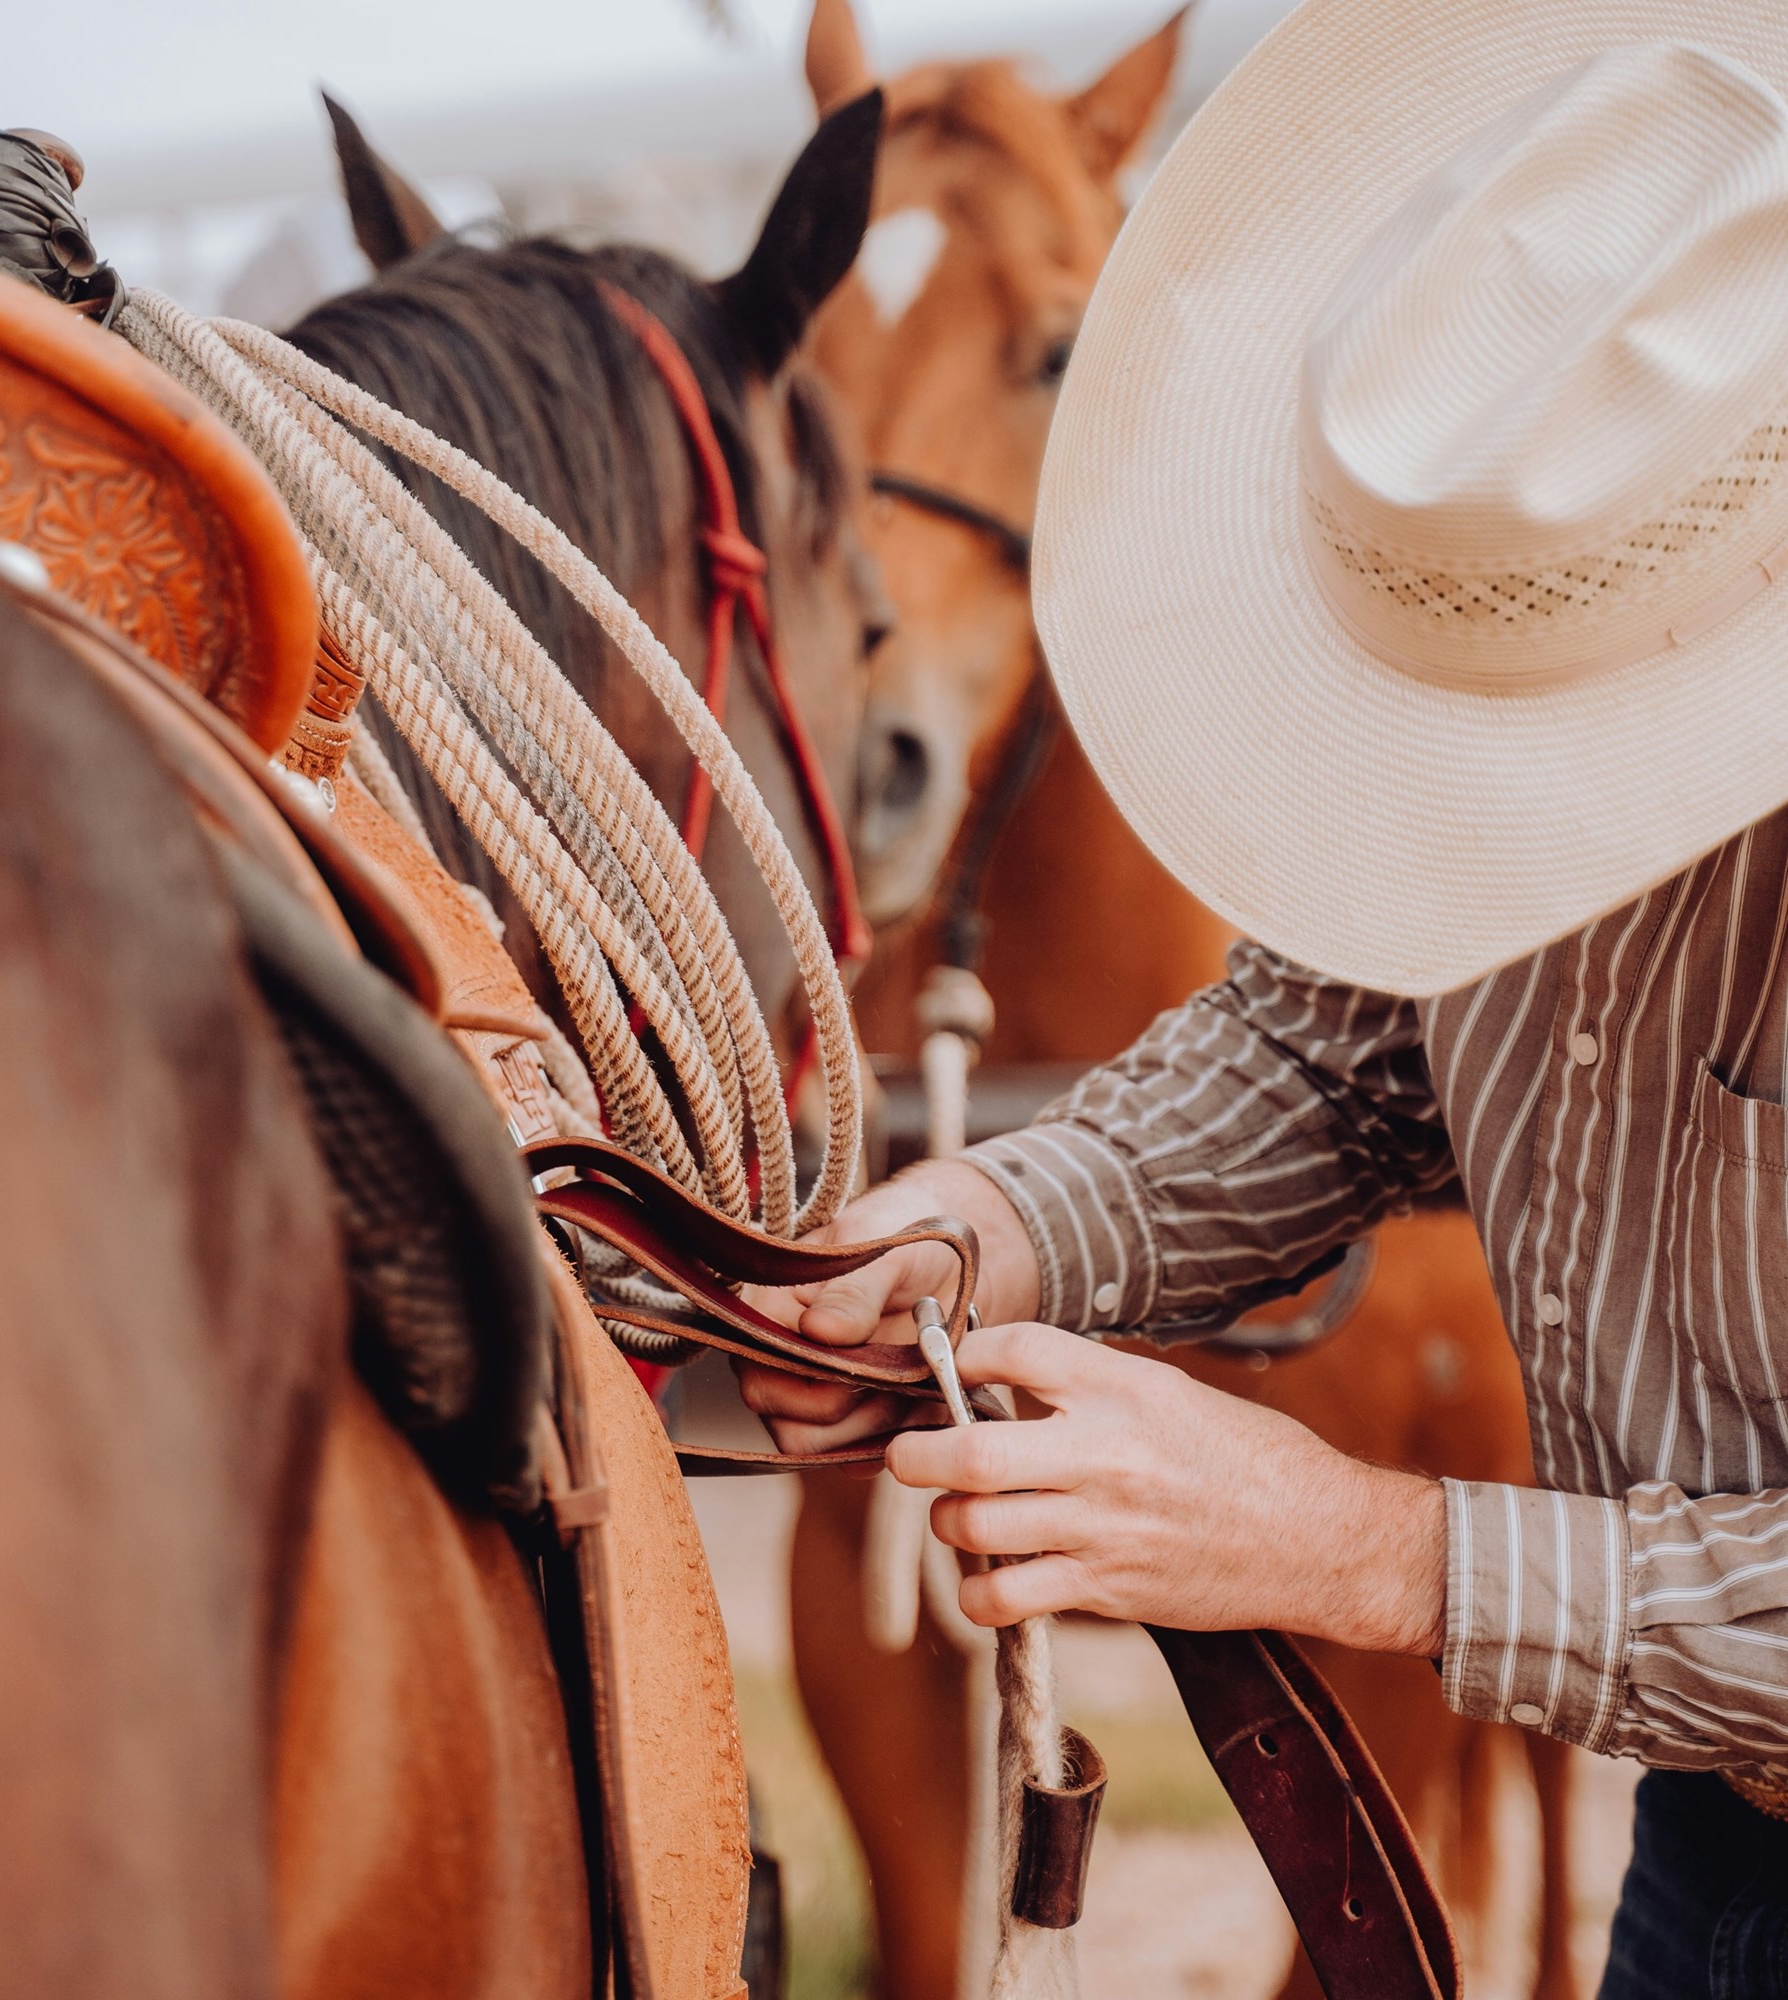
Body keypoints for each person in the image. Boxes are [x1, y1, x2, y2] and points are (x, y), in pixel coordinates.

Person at [739, 6, 1788, 1992]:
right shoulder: (1554, 640)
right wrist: (1001, 1216)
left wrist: (1355, 1548)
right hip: (1715, 1831)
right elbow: (1333, 1037)